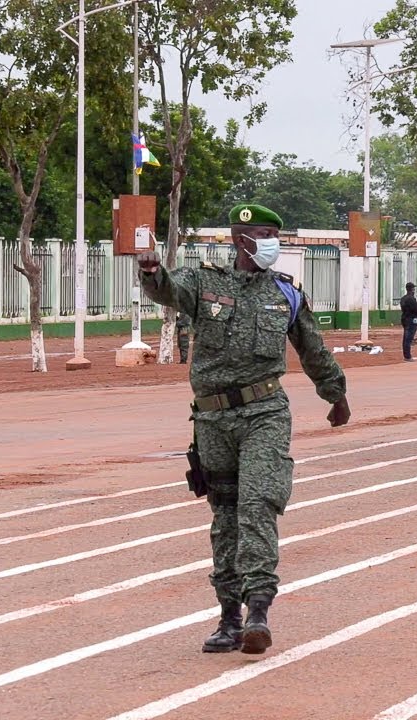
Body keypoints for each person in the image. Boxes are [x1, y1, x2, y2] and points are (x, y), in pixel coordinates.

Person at [137, 203, 351, 655]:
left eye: (275, 234)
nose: (272, 243)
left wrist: (336, 394)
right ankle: (229, 617)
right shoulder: (204, 282)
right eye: (262, 234)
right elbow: (168, 291)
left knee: (258, 503)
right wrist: (152, 272)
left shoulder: (285, 293)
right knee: (225, 515)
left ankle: (258, 610)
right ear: (240, 240)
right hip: (212, 419)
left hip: (265, 411)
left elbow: (312, 347)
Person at [401, 282, 417, 361]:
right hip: (411, 320)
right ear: (412, 289)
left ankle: (406, 355)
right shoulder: (411, 298)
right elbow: (416, 310)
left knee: (405, 338)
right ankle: (408, 356)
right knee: (409, 339)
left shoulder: (403, 298)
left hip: (405, 319)